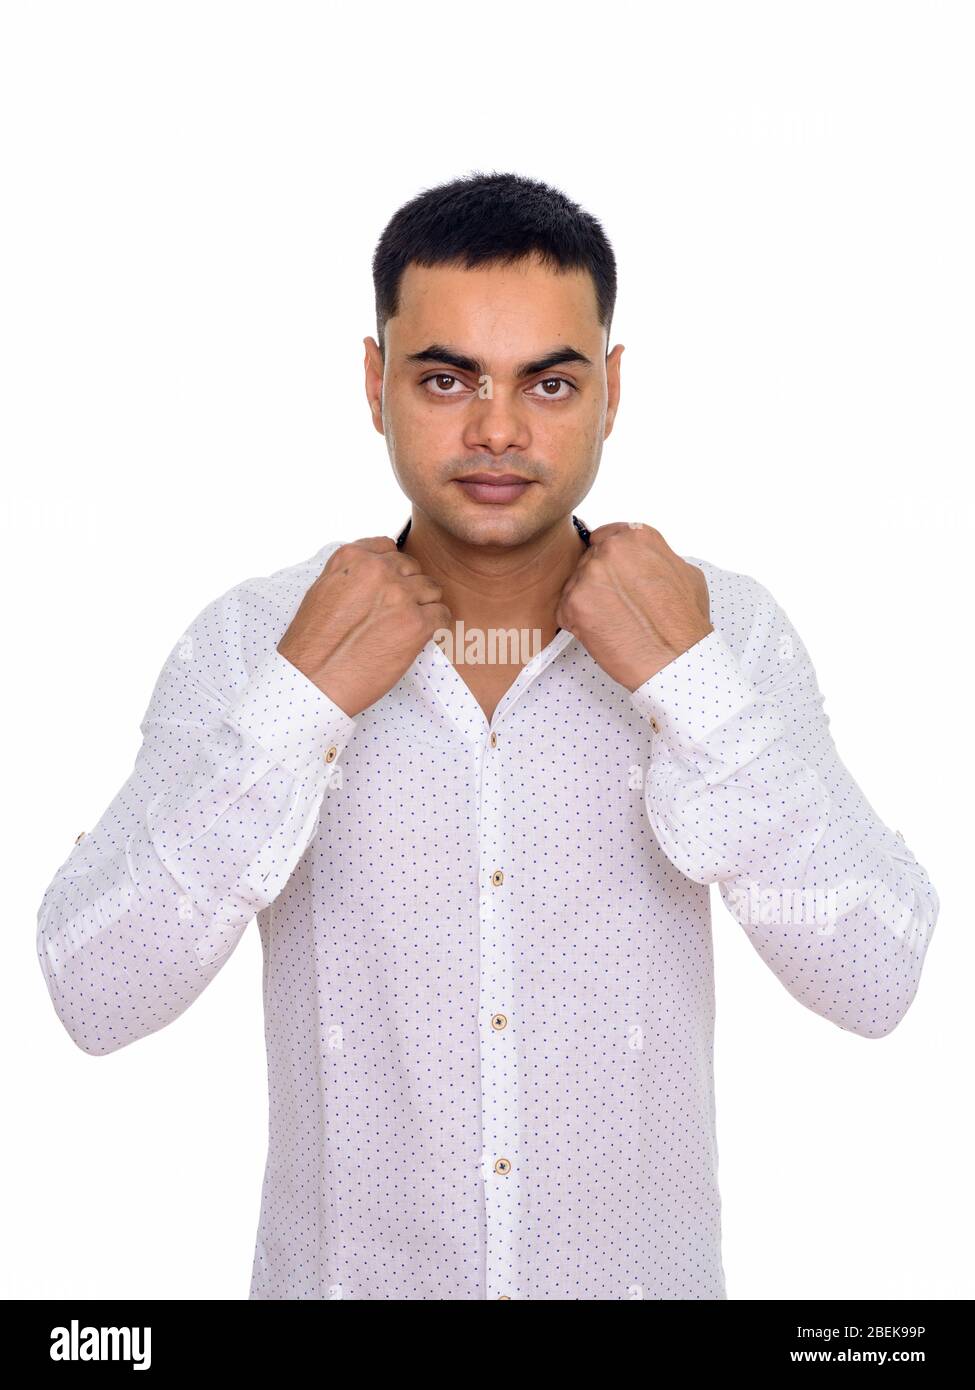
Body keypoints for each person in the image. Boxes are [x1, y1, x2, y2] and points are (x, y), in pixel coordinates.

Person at [36, 171, 939, 1301]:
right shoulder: (251, 645)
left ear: (611, 390)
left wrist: (689, 683)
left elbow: (877, 974)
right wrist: (298, 704)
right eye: (446, 377)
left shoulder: (727, 634)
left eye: (548, 382)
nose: (498, 429)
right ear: (375, 383)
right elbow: (93, 991)